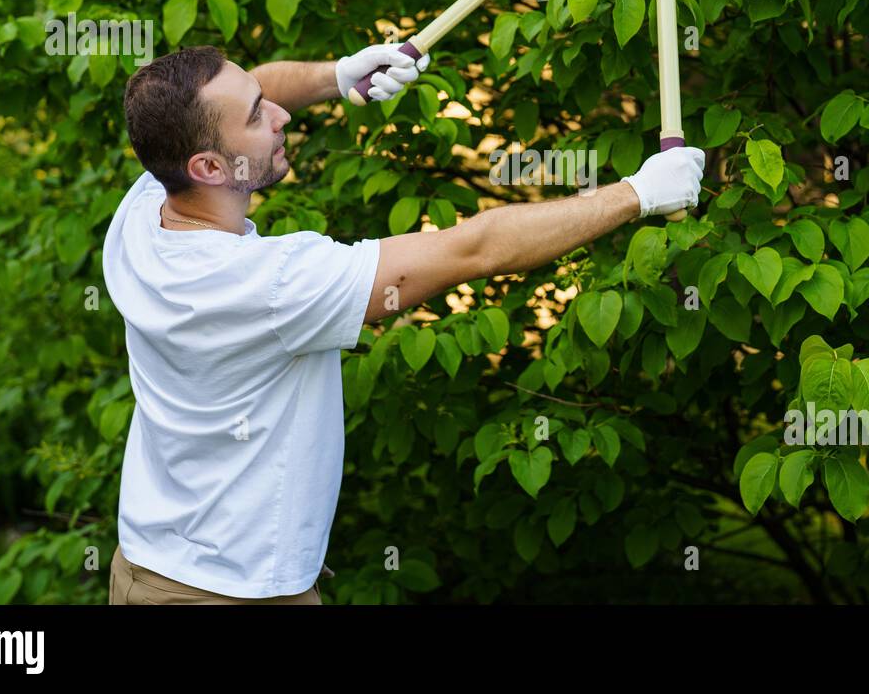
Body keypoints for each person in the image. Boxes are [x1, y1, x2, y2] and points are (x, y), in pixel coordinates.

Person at [103, 44, 705, 604]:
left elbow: (252, 87)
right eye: (259, 118)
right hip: (225, 592)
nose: (282, 116)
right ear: (209, 165)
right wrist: (637, 193)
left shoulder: (144, 211)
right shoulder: (271, 283)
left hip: (144, 565)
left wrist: (337, 76)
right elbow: (474, 250)